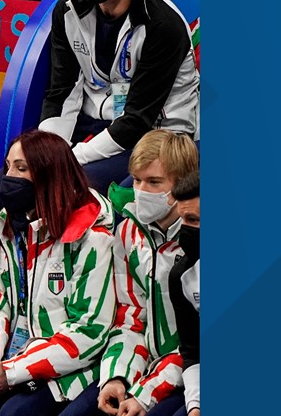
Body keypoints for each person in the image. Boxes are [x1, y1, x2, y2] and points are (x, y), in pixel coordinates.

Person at [0, 129, 116, 416]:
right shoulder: (6, 227)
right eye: (8, 167)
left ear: (49, 175)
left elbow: (89, 333)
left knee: (16, 412)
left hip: (72, 365)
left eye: (21, 168)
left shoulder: (92, 237)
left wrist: (12, 371)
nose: (8, 177)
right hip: (15, 351)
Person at [39, 0, 199, 191]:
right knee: (10, 183)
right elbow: (61, 91)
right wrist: (49, 152)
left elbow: (138, 119)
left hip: (155, 138)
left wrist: (71, 159)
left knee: (72, 185)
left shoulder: (162, 24)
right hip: (92, 126)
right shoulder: (68, 10)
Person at [93, 130, 198, 416]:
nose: (140, 191)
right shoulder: (127, 231)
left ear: (183, 184)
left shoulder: (199, 237)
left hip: (191, 371)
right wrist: (117, 377)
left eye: (154, 182)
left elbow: (198, 342)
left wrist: (146, 393)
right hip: (146, 367)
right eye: (137, 180)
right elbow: (129, 317)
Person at [168, 172, 199, 416]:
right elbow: (192, 352)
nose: (186, 231)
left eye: (194, 220)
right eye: (183, 221)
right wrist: (195, 406)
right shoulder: (182, 275)